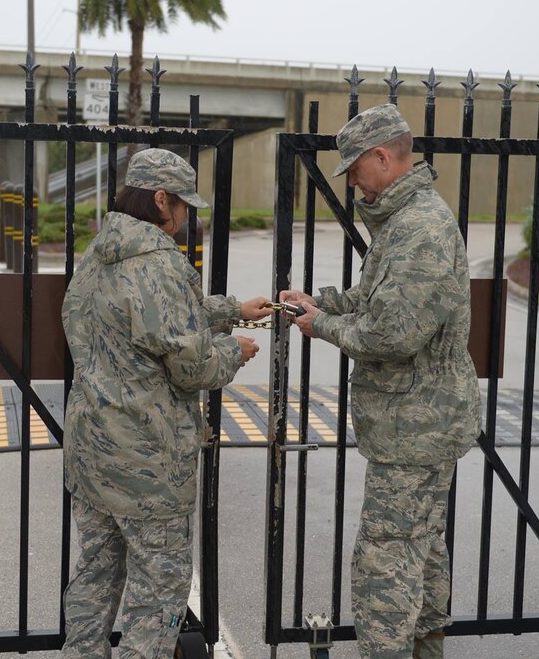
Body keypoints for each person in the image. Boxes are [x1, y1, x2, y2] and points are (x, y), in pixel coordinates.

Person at [280, 104, 481, 659]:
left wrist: (322, 326)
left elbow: (392, 334)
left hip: (415, 427)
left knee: (386, 560)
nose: (352, 183)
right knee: (422, 546)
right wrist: (321, 302)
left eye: (354, 169)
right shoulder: (406, 220)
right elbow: (377, 301)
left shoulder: (419, 229)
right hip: (416, 423)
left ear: (382, 158)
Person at [60, 147, 273, 659]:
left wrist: (231, 310)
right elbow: (192, 367)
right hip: (149, 463)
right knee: (159, 593)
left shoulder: (98, 254)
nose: (184, 218)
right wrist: (233, 350)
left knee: (94, 575)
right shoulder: (161, 265)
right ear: (160, 200)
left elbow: (151, 318)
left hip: (92, 452)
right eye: (182, 205)